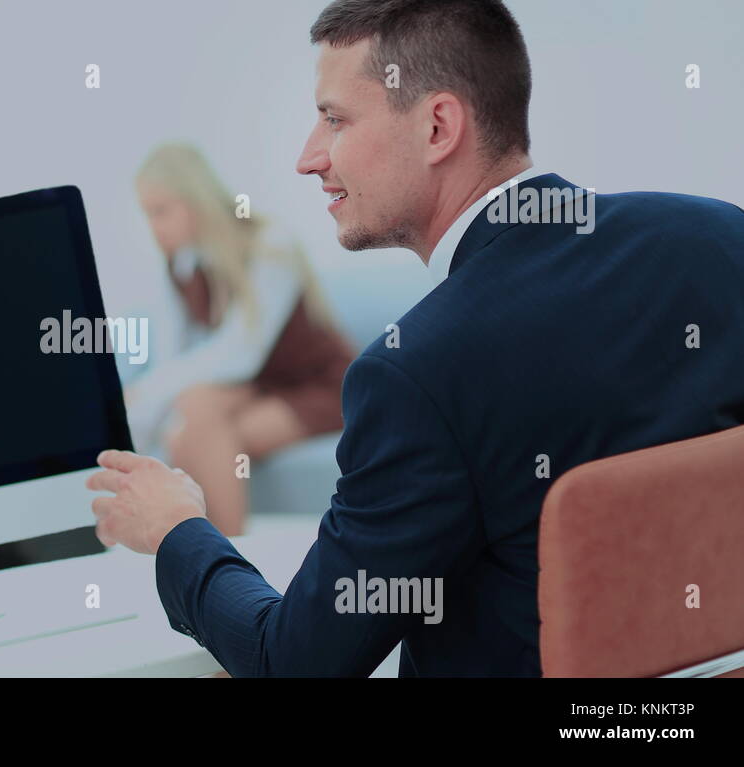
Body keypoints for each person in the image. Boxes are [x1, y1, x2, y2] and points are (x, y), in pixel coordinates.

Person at [86, 0, 744, 676]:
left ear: (437, 127)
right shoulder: (721, 238)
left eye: (335, 119)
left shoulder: (416, 374)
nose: (307, 158)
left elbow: (291, 662)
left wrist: (177, 531)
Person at [126, 143, 355, 535]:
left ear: (196, 201)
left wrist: (145, 393)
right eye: (148, 214)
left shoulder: (269, 244)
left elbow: (240, 355)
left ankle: (229, 562)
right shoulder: (181, 266)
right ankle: (219, 564)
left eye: (161, 211)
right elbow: (175, 355)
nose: (154, 227)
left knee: (193, 434)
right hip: (259, 389)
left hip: (319, 386)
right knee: (192, 419)